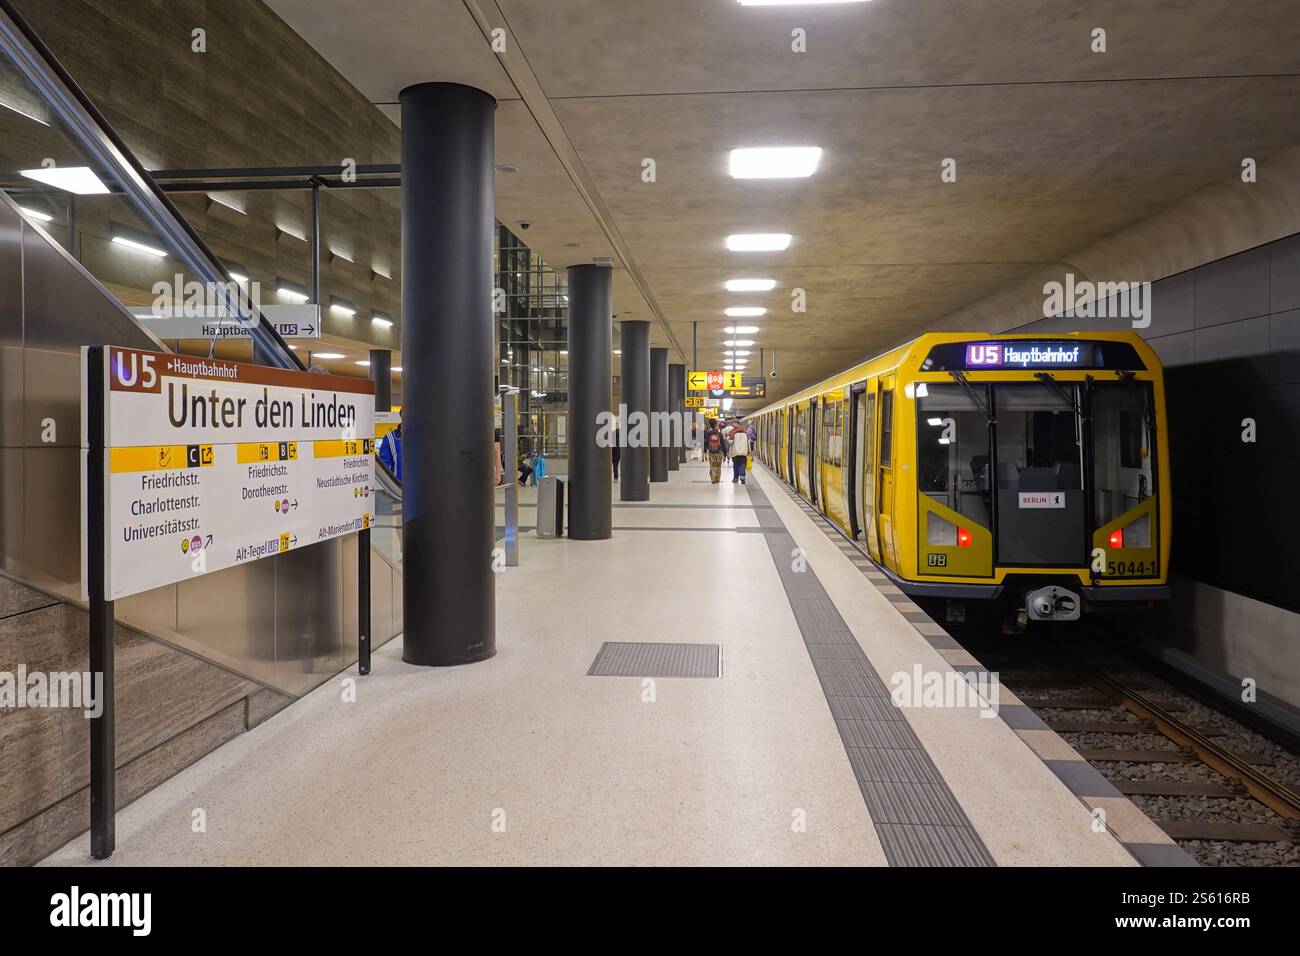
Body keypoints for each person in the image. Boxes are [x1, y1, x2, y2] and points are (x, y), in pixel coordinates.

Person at [703, 418, 726, 484]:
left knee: (712, 466)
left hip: (711, 452)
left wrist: (704, 452)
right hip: (719, 452)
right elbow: (723, 443)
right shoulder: (719, 434)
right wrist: (725, 453)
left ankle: (713, 479)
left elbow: (705, 443)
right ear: (715, 425)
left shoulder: (708, 433)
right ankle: (717, 479)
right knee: (718, 466)